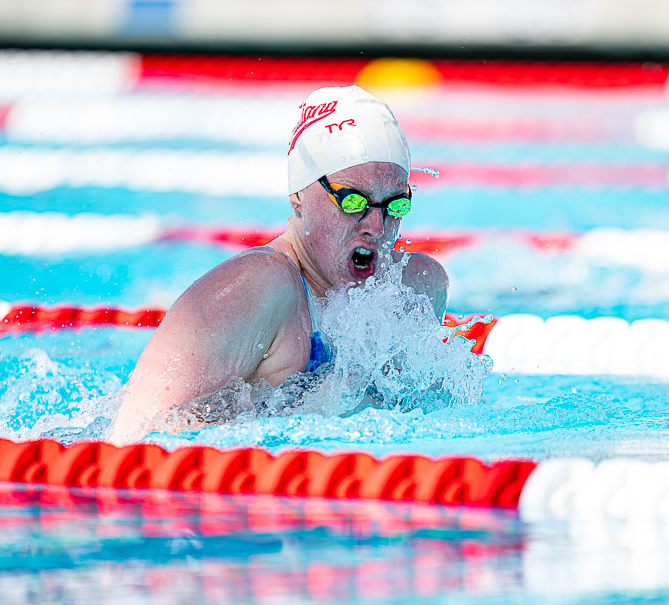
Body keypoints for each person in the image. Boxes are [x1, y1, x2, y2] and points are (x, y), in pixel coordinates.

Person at [109, 85, 448, 444]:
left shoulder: (415, 290)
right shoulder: (259, 286)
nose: (377, 227)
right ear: (298, 196)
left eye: (395, 204)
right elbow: (133, 441)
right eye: (352, 200)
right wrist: (306, 412)